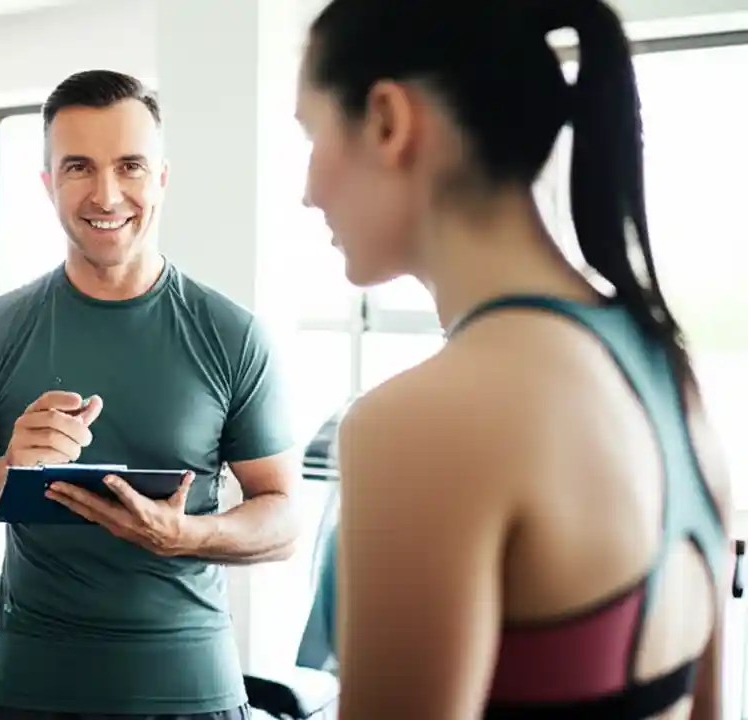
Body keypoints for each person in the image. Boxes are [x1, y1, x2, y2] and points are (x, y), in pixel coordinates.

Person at [293, 0, 733, 718]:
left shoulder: (423, 423)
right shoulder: (662, 366)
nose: (307, 191)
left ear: (387, 121)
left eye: (311, 134)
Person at [0, 69, 302, 719]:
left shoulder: (232, 334)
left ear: (163, 179)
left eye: (131, 166)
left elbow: (282, 519)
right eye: (79, 167)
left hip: (191, 691)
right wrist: (8, 470)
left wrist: (185, 535)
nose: (107, 193)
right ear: (48, 184)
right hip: (33, 691)